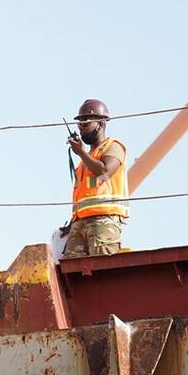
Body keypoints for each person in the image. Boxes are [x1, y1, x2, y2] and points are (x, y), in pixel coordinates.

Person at [62, 99, 128, 257]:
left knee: (102, 270)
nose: (81, 127)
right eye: (79, 123)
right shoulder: (85, 161)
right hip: (79, 222)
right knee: (71, 272)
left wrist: (81, 153)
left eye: (85, 122)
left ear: (101, 123)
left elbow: (104, 172)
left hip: (104, 220)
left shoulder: (113, 147)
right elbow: (86, 191)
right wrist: (72, 222)